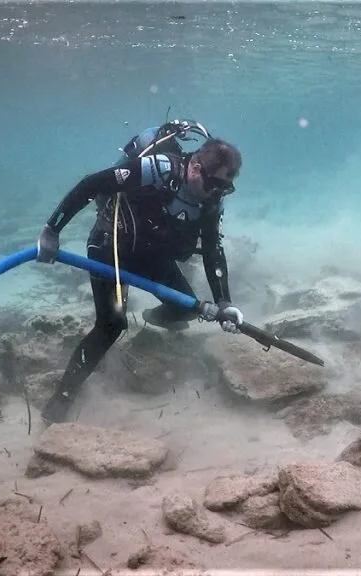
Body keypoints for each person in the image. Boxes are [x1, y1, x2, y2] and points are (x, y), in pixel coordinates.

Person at [34, 119, 245, 424]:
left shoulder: (211, 202)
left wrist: (224, 302)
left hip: (152, 255)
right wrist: (52, 231)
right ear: (196, 168)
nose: (218, 194)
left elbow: (213, 250)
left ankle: (150, 321)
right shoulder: (158, 169)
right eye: (216, 185)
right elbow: (90, 185)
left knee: (185, 308)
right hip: (111, 248)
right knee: (112, 325)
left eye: (226, 188)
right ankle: (62, 398)